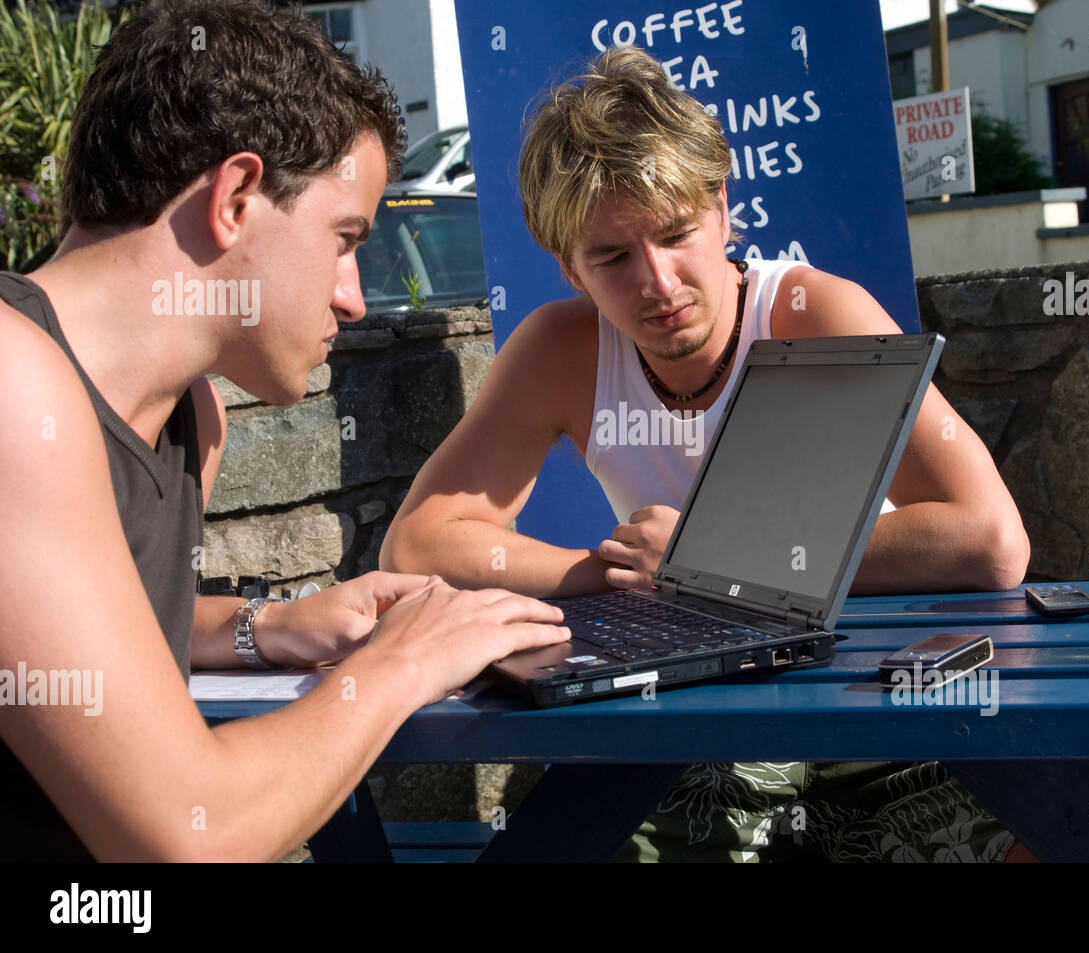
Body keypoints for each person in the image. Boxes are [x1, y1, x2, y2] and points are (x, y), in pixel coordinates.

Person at [381, 47, 1034, 861]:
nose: (656, 282)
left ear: (723, 208)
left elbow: (991, 540)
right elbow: (420, 540)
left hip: (872, 696)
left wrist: (707, 558)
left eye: (676, 233)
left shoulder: (813, 311)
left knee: (1040, 836)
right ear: (569, 268)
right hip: (695, 717)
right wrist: (610, 571)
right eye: (612, 257)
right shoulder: (560, 347)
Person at [0, 0, 569, 862]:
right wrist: (406, 662)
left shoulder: (194, 417)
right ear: (234, 197)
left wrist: (269, 626)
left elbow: (91, 635)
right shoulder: (12, 384)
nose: (351, 293)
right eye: (345, 238)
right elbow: (189, 831)